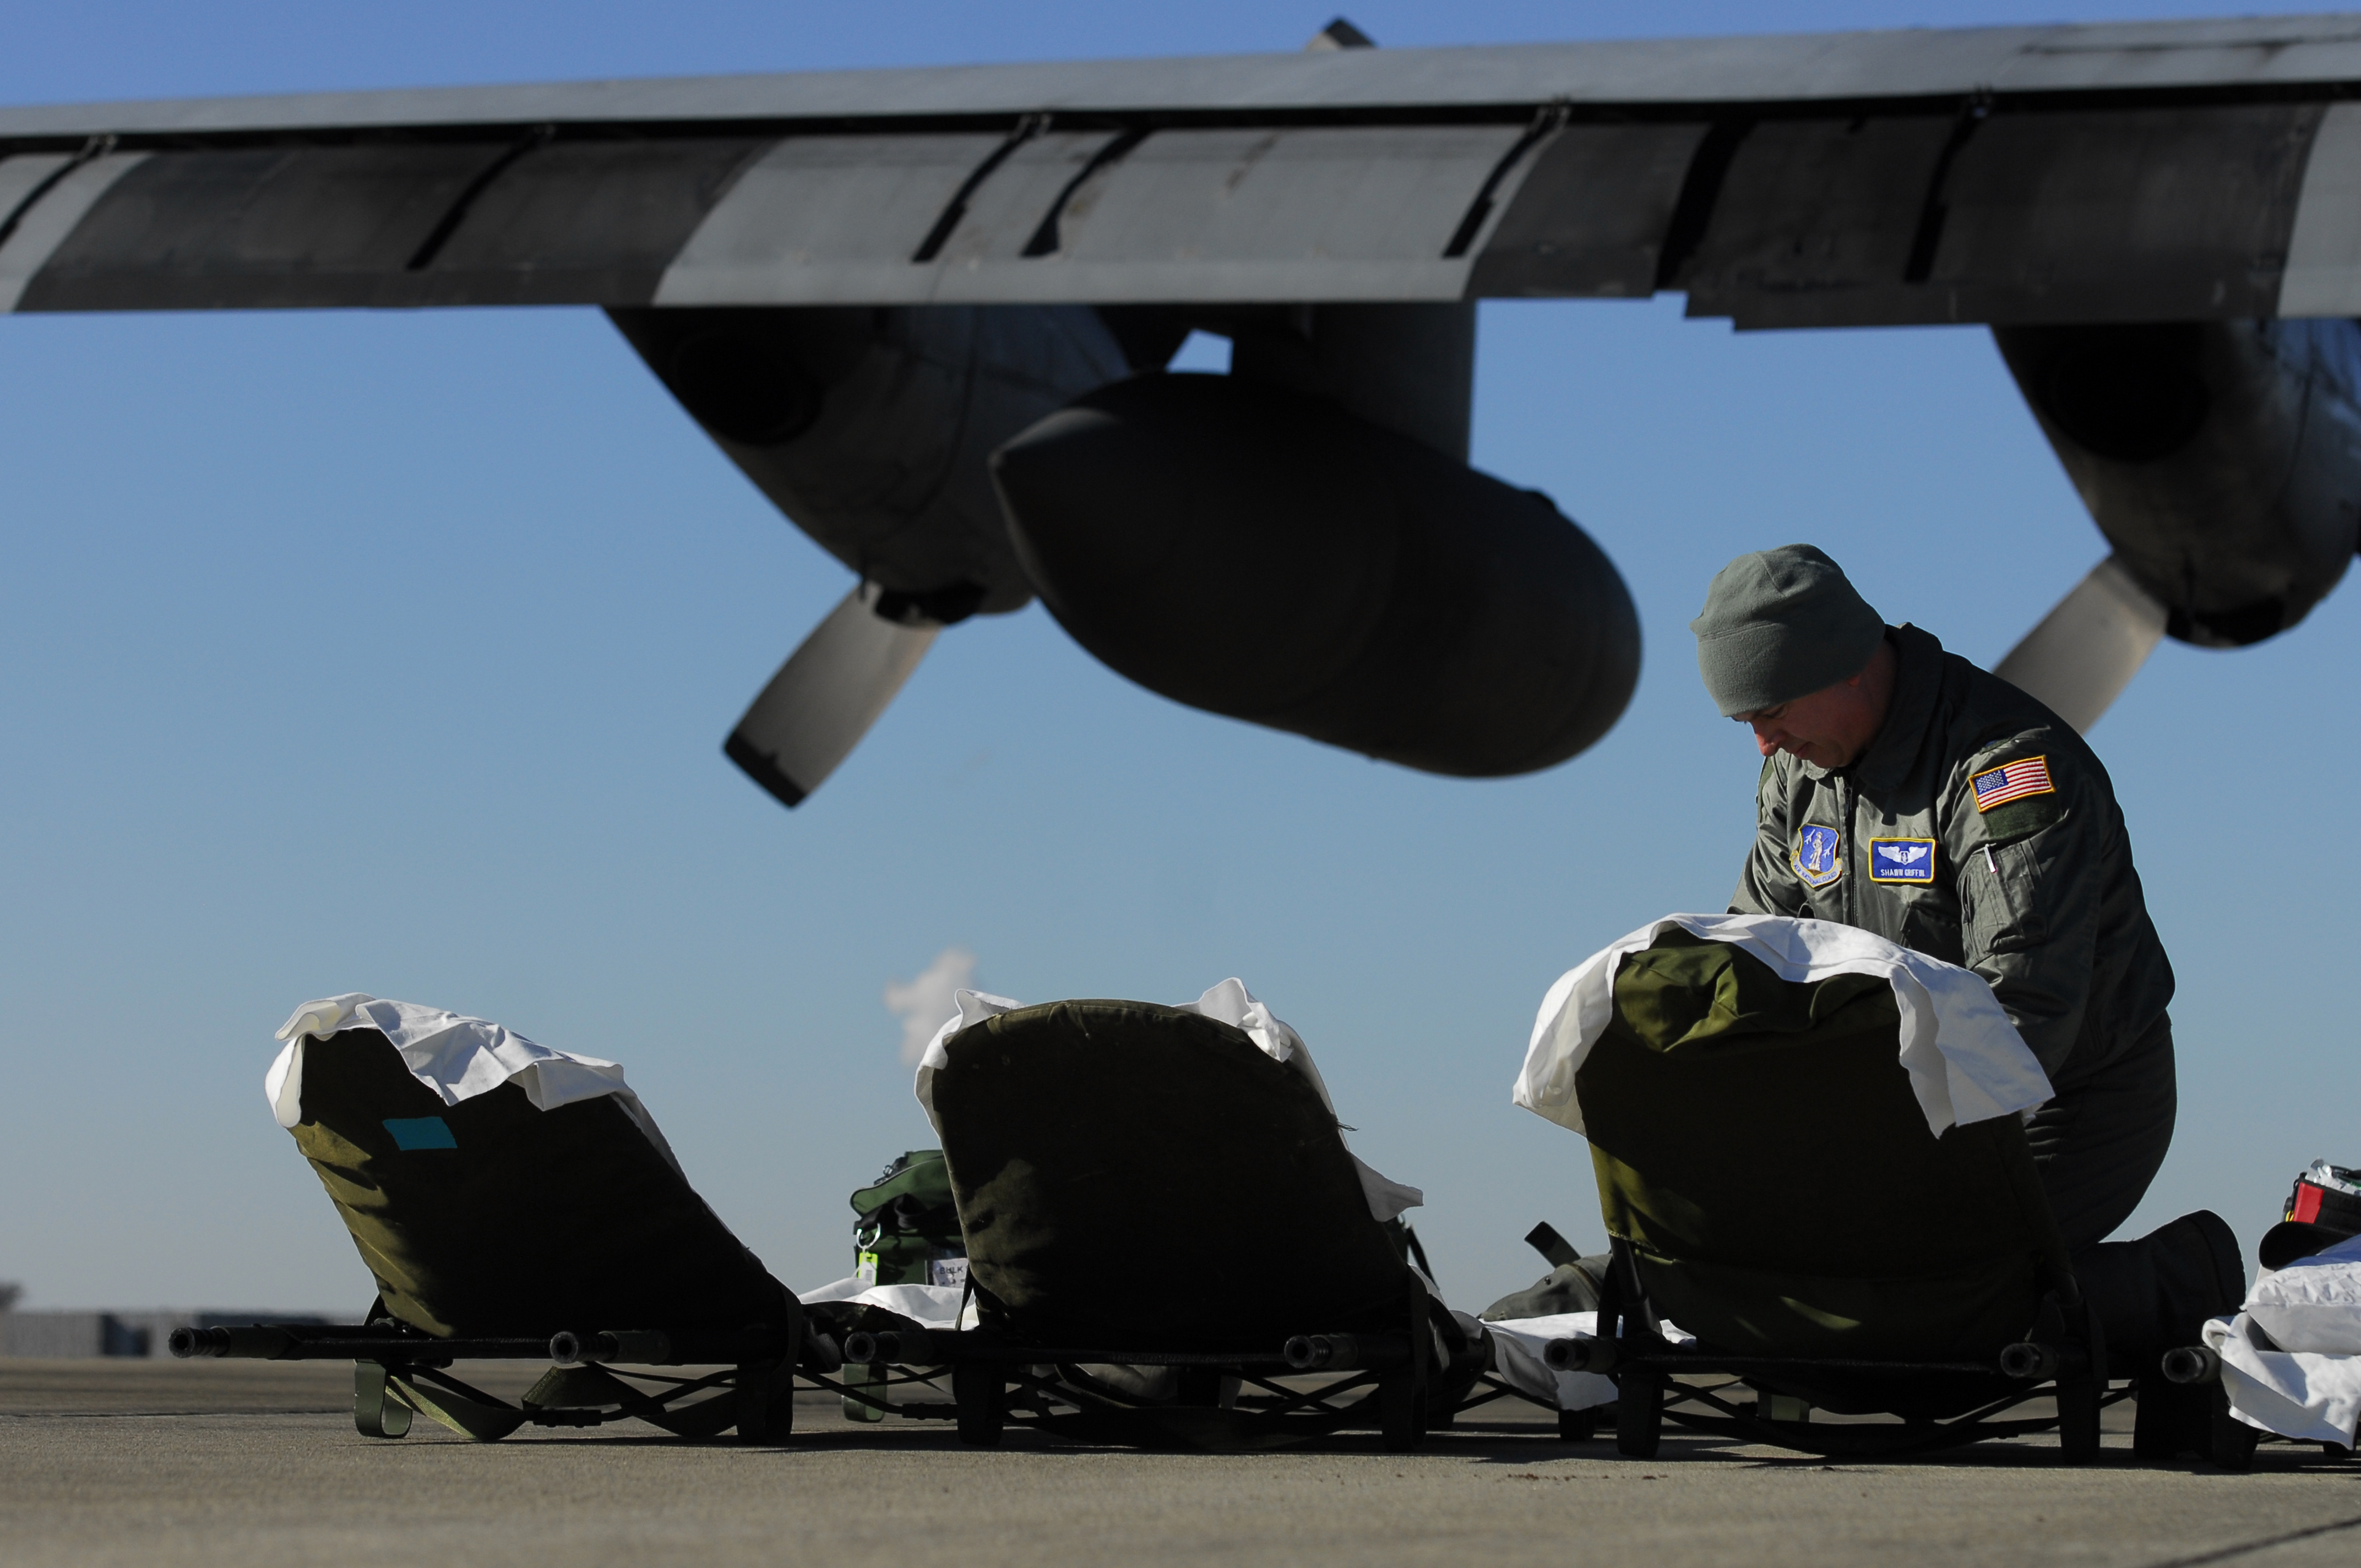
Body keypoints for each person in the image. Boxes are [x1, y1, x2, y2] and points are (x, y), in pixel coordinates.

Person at [1685, 542, 2239, 1441]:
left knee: (1920, 1326)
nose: (1763, 741)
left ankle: (2174, 1280)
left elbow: (2027, 1009)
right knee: (1788, 1299)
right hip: (1895, 1112)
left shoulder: (2007, 773)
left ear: (1854, 669)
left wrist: (1892, 1164)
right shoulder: (1801, 773)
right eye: (1747, 719)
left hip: (2062, 1100)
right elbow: (1762, 952)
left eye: (1773, 711)